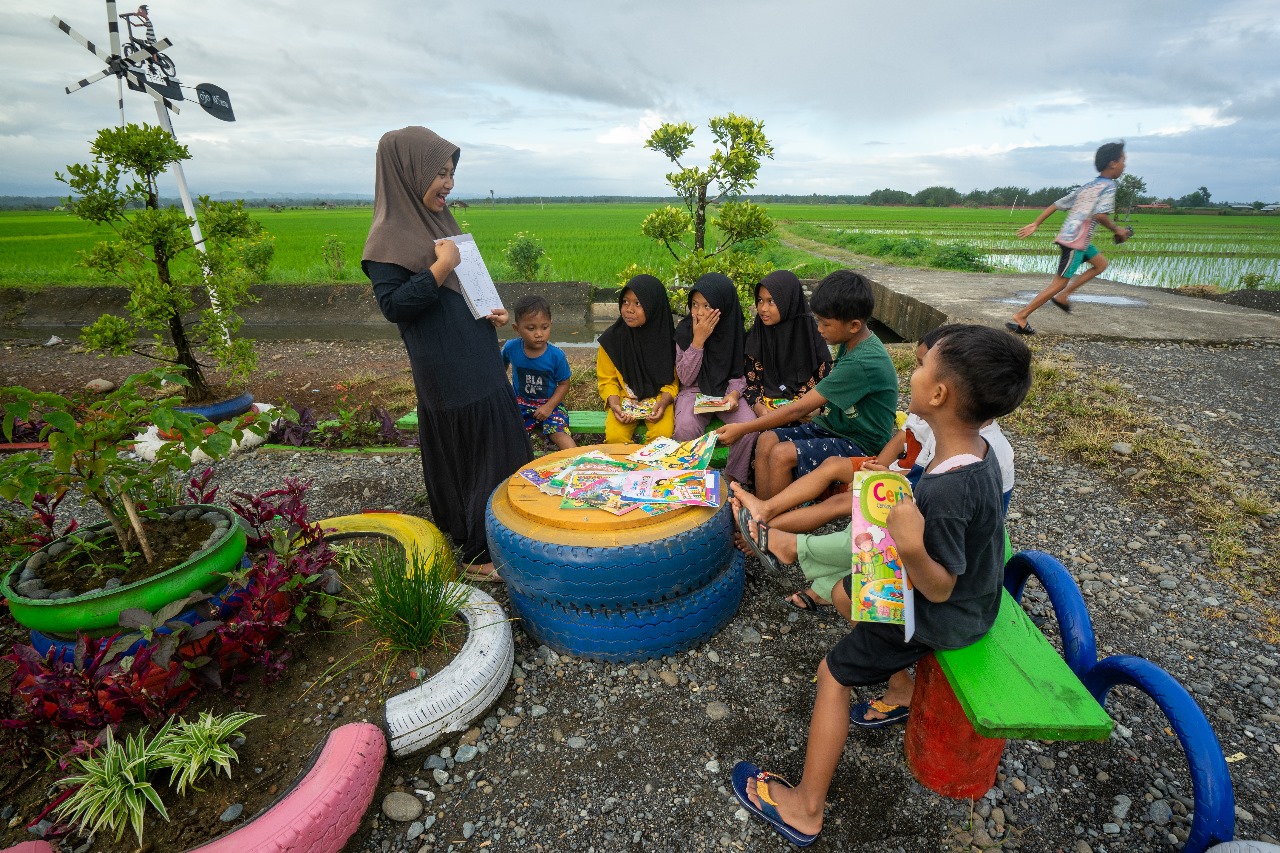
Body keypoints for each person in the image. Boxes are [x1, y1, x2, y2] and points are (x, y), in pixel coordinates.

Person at [730, 324, 1033, 846]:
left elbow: (938, 587)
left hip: (943, 615)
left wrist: (911, 546)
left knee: (832, 674)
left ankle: (805, 809)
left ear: (939, 394)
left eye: (921, 368)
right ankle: (894, 676)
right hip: (969, 598)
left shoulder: (950, 487)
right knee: (848, 591)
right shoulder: (975, 451)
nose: (911, 374)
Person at [362, 126, 532, 581]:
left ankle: (504, 528)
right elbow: (394, 306)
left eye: (452, 173)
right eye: (440, 173)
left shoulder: (441, 224)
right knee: (475, 450)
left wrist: (489, 312)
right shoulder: (386, 238)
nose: (450, 184)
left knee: (497, 443)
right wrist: (439, 267)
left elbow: (464, 289)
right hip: (446, 369)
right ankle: (478, 551)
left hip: (478, 357)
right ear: (409, 172)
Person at [715, 270, 897, 501]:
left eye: (825, 323)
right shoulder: (852, 340)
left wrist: (742, 428)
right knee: (767, 439)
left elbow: (798, 409)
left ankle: (778, 526)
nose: (819, 328)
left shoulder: (862, 362)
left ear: (853, 325)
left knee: (781, 454)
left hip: (860, 442)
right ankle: (761, 510)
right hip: (832, 427)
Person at [1007, 141, 1133, 334]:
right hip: (1075, 242)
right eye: (1124, 160)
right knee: (1059, 283)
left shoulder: (1089, 186)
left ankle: (1064, 296)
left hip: (1080, 241)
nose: (1125, 165)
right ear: (1113, 163)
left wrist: (1036, 223)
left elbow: (1057, 204)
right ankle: (1022, 316)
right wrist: (1118, 230)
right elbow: (1100, 216)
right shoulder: (1108, 187)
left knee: (1101, 264)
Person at [672, 272, 758, 483]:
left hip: (727, 391)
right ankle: (689, 477)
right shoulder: (684, 331)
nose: (699, 313)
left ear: (723, 307)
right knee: (685, 426)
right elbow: (685, 377)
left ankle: (732, 481)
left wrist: (736, 395)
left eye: (707, 306)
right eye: (694, 304)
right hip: (694, 390)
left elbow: (741, 371)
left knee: (748, 426)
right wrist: (698, 341)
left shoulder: (734, 329)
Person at [596, 274, 679, 444]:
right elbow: (607, 380)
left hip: (658, 400)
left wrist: (663, 404)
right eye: (625, 302)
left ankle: (649, 470)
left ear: (653, 306)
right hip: (625, 400)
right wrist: (615, 405)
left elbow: (673, 382)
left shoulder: (669, 341)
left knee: (662, 436)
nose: (629, 309)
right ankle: (627, 469)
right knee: (615, 437)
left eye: (637, 303)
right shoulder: (612, 340)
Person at [742, 270, 832, 415]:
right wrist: (758, 408)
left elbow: (828, 383)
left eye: (771, 301)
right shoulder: (756, 336)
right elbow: (749, 384)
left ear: (789, 301)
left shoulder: (810, 333)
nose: (763, 309)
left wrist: (816, 409)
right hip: (768, 412)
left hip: (807, 411)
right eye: (760, 300)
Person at [502, 294, 576, 451]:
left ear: (551, 324)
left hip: (551, 405)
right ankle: (517, 470)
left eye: (545, 327)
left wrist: (548, 407)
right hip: (520, 404)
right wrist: (506, 396)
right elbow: (499, 370)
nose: (539, 334)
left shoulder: (556, 355)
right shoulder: (511, 348)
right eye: (531, 328)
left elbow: (564, 384)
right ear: (517, 329)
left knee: (559, 434)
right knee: (509, 434)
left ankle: (577, 462)